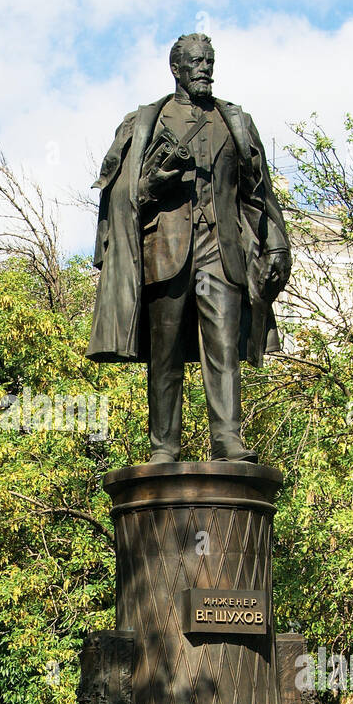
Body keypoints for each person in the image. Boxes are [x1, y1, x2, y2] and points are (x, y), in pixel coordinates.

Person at [87, 33, 291, 463]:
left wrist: (275, 244)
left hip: (221, 251)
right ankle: (164, 448)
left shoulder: (235, 121)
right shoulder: (147, 122)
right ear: (176, 68)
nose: (205, 69)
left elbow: (257, 190)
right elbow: (127, 196)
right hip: (166, 251)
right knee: (165, 355)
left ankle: (227, 441)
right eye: (196, 62)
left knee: (222, 348)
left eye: (210, 61)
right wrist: (155, 181)